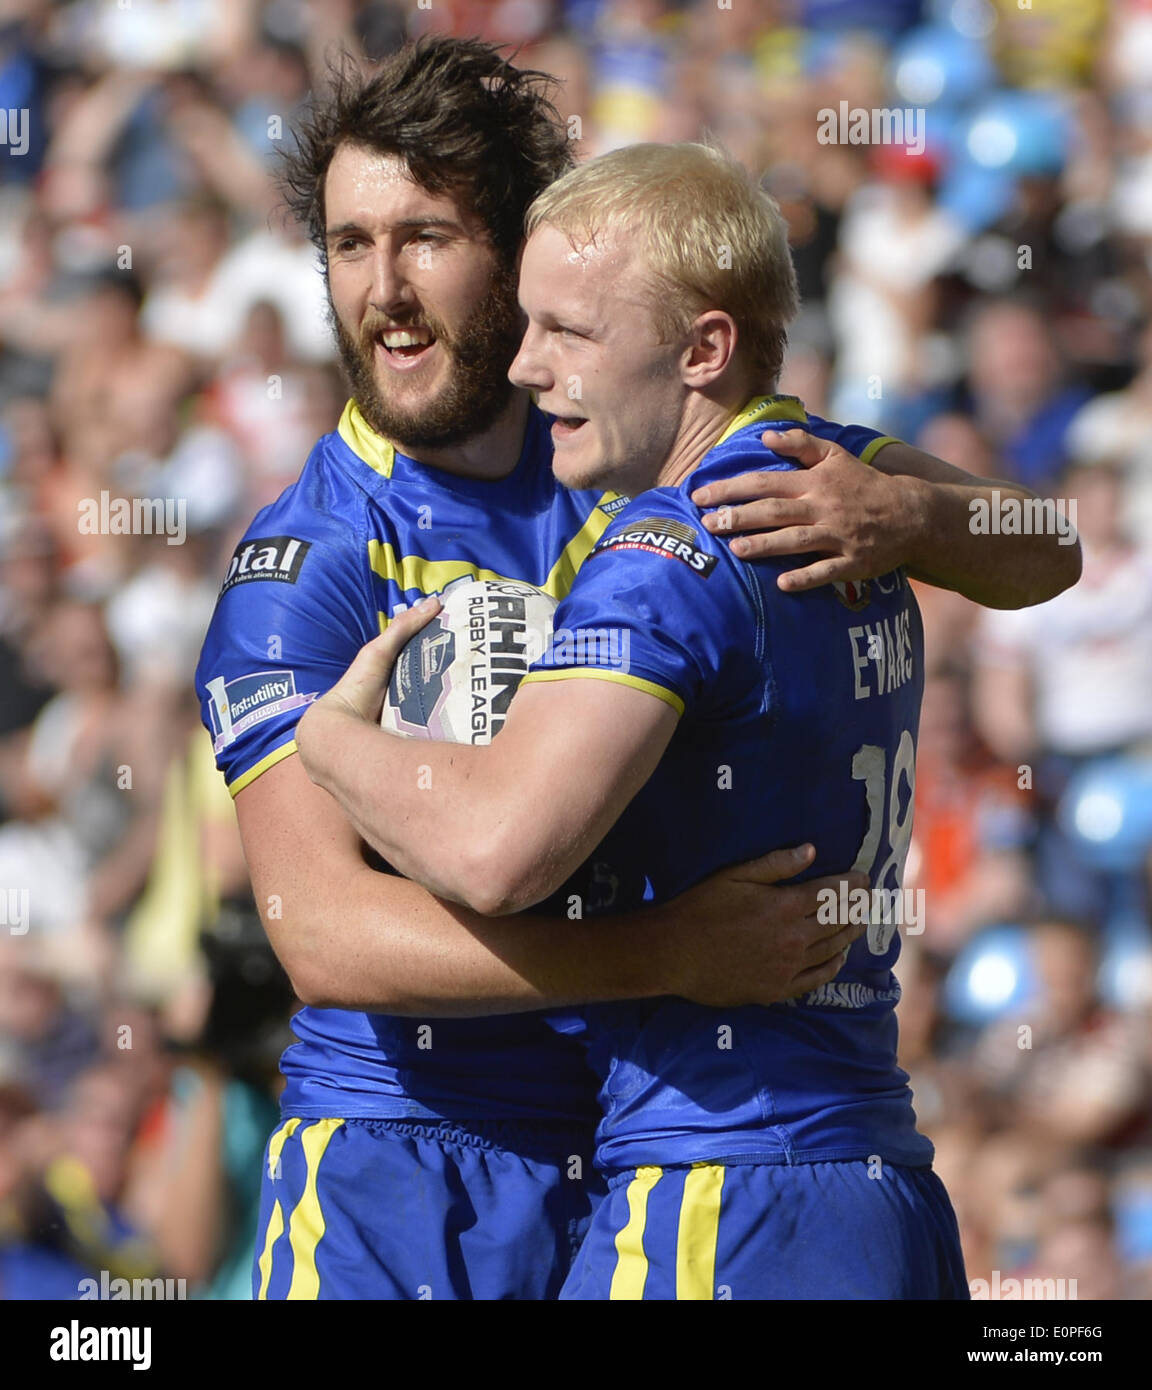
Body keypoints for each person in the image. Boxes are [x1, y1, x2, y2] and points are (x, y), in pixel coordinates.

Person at [199, 38, 1079, 1301]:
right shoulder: (311, 563)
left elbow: (1047, 545)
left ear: (521, 246)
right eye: (347, 244)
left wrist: (913, 520)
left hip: (651, 1161)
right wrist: (662, 954)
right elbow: (319, 933)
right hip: (402, 1172)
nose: (383, 289)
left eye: (427, 237)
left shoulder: (642, 456)